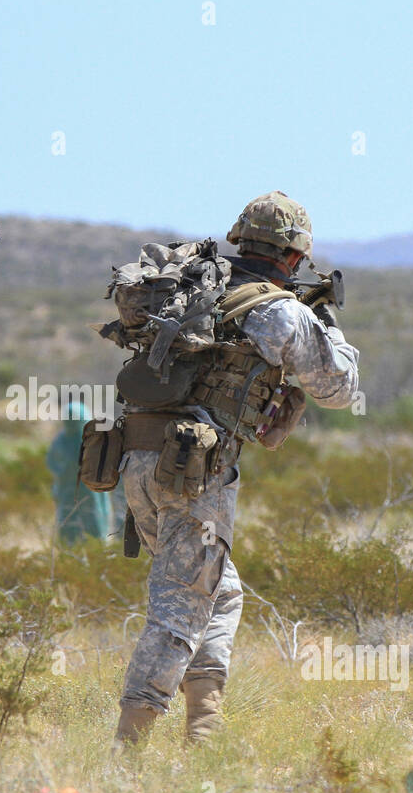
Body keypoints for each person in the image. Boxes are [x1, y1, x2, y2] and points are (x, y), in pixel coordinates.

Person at [115, 190, 360, 745]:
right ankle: (125, 753)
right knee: (179, 608)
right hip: (194, 473)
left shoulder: (199, 287)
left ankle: (203, 732)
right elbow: (337, 388)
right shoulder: (280, 311)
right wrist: (328, 323)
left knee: (219, 593)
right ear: (294, 258)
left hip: (138, 460)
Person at [45, 400, 112, 544]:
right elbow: (51, 462)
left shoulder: (92, 438)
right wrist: (63, 472)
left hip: (89, 492)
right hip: (68, 491)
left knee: (94, 525)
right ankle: (70, 555)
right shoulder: (62, 440)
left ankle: (96, 553)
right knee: (68, 525)